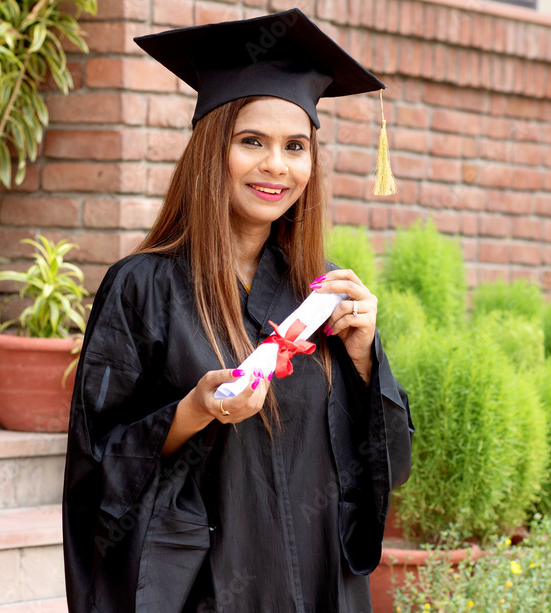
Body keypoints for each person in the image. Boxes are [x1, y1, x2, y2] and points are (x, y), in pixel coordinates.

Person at [60, 9, 414, 612]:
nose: (277, 165)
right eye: (252, 141)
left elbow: (388, 465)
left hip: (314, 584)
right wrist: (195, 410)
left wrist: (362, 359)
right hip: (204, 589)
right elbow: (97, 468)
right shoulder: (142, 286)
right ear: (210, 150)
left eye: (295, 147)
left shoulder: (321, 299)